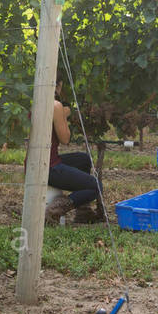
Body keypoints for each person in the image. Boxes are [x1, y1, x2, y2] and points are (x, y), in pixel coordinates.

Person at [45, 84, 104, 225]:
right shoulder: (55, 105)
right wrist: (63, 116)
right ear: (58, 85)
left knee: (83, 160)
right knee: (96, 186)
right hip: (48, 166)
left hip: (40, 161)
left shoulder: (37, 101)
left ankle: (83, 211)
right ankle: (55, 210)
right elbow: (65, 139)